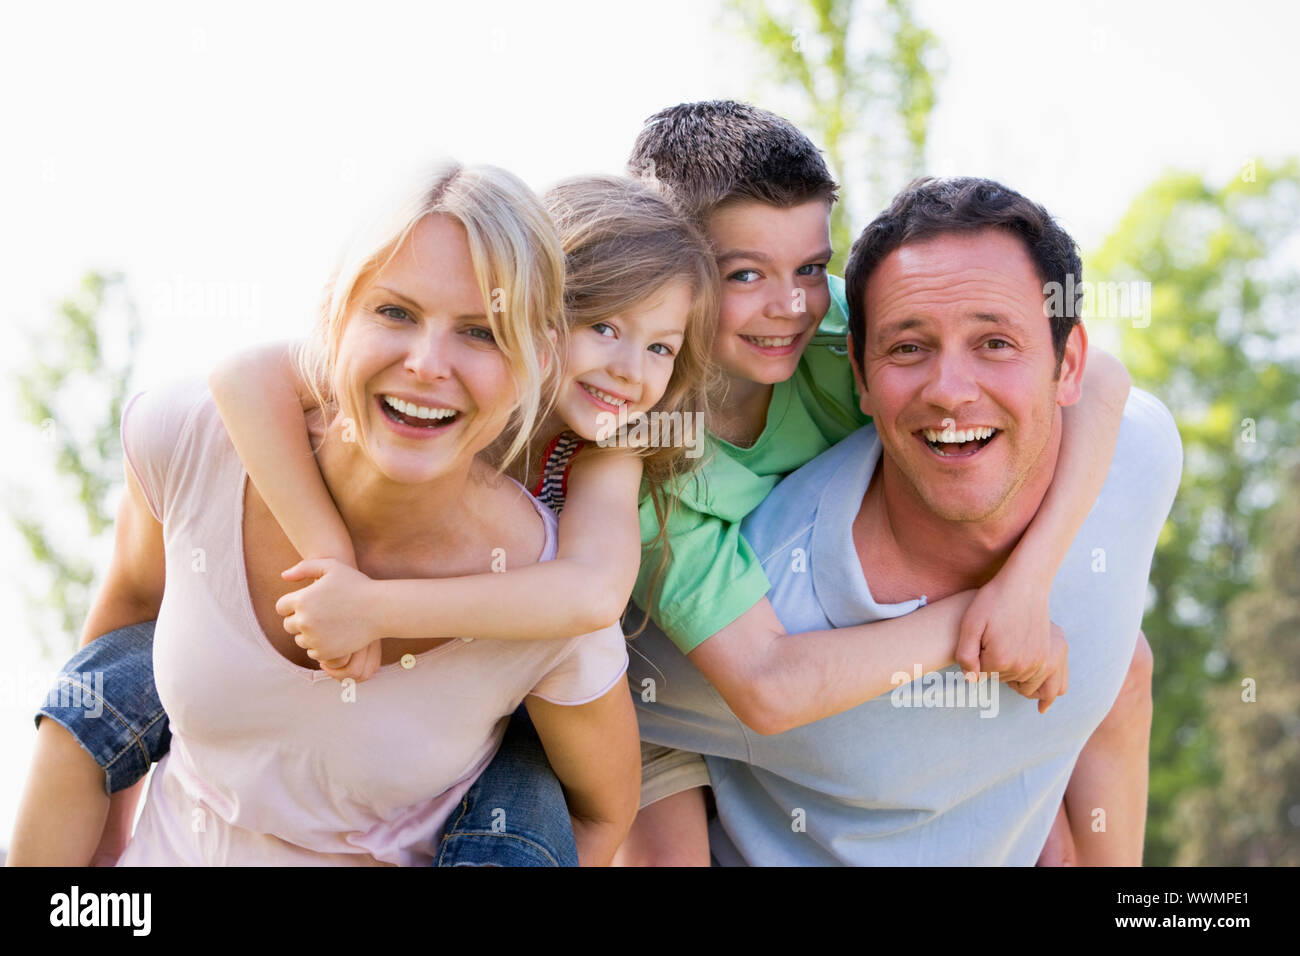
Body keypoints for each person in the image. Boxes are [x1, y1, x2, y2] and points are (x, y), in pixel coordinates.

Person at [8, 161, 641, 866]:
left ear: (539, 360)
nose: (428, 363)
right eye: (395, 312)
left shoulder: (543, 603)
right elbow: (120, 640)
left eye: (482, 332)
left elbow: (599, 815)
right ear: (335, 319)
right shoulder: (191, 441)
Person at [613, 101, 1143, 865]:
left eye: (807, 268)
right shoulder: (648, 456)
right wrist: (978, 620)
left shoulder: (836, 339)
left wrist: (1025, 587)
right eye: (745, 274)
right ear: (669, 269)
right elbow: (767, 689)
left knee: (1121, 660)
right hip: (675, 685)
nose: (790, 306)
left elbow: (1100, 380)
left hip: (834, 614)